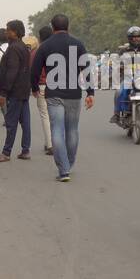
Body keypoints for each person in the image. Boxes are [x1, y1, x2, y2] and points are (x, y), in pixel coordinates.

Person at [28, 14, 96, 182]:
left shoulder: (45, 46)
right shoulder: (78, 44)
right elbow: (86, 69)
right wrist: (90, 93)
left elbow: (34, 71)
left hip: (54, 95)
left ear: (52, 27)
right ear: (68, 26)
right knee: (72, 130)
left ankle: (63, 169)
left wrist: (35, 88)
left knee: (57, 130)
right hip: (73, 94)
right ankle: (69, 164)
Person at [0, 20, 32, 162]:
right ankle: (25, 150)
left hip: (15, 91)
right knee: (25, 121)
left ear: (15, 32)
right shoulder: (23, 47)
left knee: (11, 122)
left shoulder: (14, 48)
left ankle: (6, 152)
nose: (6, 32)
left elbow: (12, 72)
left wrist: (3, 92)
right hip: (23, 89)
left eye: (8, 30)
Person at [111, 26, 140, 125]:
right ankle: (116, 114)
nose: (136, 39)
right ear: (130, 38)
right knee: (119, 92)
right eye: (134, 37)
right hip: (127, 78)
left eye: (138, 37)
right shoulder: (124, 51)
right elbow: (116, 62)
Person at [30, 25, 54, 156]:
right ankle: (57, 142)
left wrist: (34, 88)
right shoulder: (58, 50)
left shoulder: (36, 52)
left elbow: (33, 71)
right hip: (58, 86)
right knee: (56, 115)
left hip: (42, 86)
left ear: (39, 37)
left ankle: (50, 144)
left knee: (45, 115)